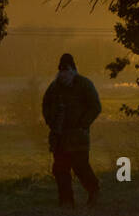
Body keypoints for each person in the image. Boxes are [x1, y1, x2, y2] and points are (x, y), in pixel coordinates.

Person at [41, 53, 102, 207]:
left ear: (73, 70)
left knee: (81, 167)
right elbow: (45, 106)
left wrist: (83, 124)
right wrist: (51, 122)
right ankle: (66, 201)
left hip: (78, 136)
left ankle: (94, 192)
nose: (63, 74)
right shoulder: (54, 88)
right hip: (59, 136)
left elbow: (95, 107)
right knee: (61, 170)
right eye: (61, 71)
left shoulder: (84, 84)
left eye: (66, 70)